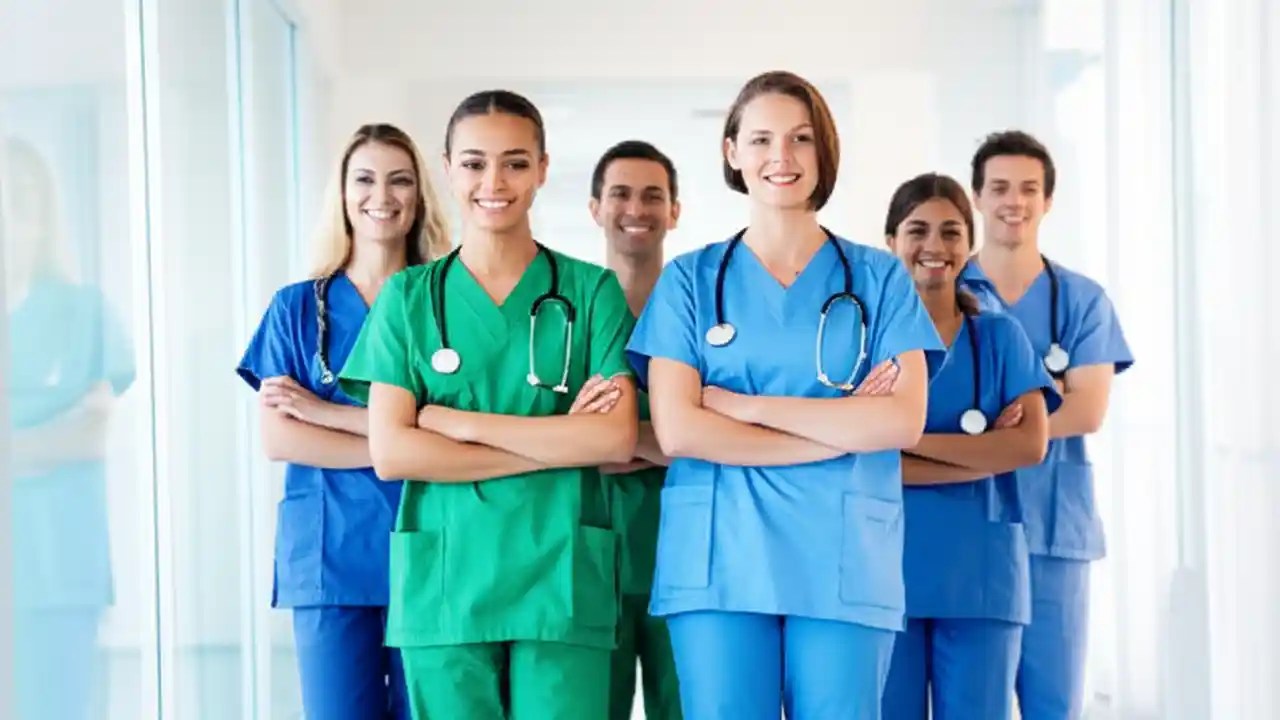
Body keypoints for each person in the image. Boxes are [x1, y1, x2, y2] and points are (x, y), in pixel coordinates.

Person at [625, 70, 947, 720]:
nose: (783, 157)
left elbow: (902, 421)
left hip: (843, 557)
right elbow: (681, 430)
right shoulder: (690, 282)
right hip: (720, 560)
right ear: (732, 152)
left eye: (802, 138)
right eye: (763, 138)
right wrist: (840, 426)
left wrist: (743, 406)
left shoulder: (878, 278)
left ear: (824, 152)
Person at [337, 89, 640, 720]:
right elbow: (392, 453)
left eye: (515, 162)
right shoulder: (408, 299)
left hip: (559, 581)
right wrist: (554, 443)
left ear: (543, 169)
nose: (493, 181)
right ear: (447, 170)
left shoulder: (591, 293)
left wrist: (456, 425)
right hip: (448, 583)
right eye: (474, 163)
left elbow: (612, 440)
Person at [236, 123, 451, 720]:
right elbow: (280, 438)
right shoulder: (296, 307)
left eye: (399, 180)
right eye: (365, 179)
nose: (381, 195)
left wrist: (330, 416)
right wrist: (406, 439)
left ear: (420, 195)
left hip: (432, 551)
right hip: (329, 557)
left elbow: (466, 422)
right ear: (342, 193)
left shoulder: (444, 302)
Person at [959, 130, 1134, 719]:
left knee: (1052, 702)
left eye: (1029, 189)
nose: (1015, 201)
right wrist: (1047, 396)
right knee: (969, 702)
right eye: (1000, 188)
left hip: (1053, 528)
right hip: (965, 523)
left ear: (1048, 200)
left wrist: (997, 421)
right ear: (977, 198)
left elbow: (1088, 409)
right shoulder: (944, 292)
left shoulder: (1081, 300)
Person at [877, 172, 1062, 720]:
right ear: (891, 241)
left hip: (982, 577)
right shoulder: (866, 343)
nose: (934, 247)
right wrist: (978, 456)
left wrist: (905, 443)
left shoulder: (999, 337)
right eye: (917, 230)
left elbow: (1029, 445)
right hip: (886, 570)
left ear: (969, 243)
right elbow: (854, 452)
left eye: (951, 232)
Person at [5, 136, 135, 720]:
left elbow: (93, 434)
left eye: (21, 200)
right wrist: (44, 435)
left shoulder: (82, 312)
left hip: (60, 571)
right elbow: (68, 430)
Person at [588, 139, 683, 720]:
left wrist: (615, 438)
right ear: (595, 207)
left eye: (654, 196)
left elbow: (722, 433)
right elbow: (557, 440)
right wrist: (673, 438)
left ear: (675, 211)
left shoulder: (701, 306)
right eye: (620, 194)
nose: (637, 208)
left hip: (688, 553)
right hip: (595, 553)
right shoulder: (570, 308)